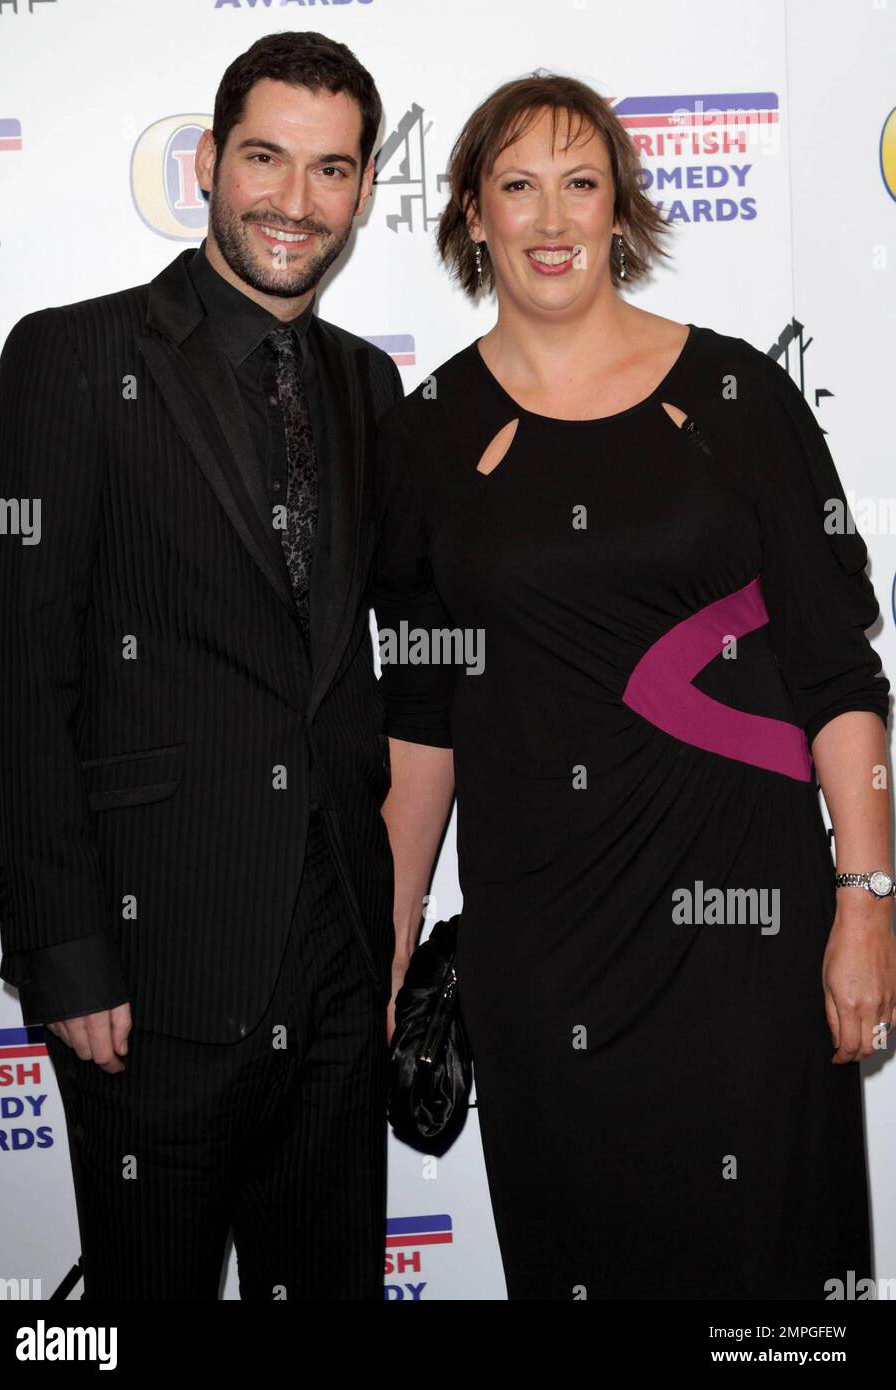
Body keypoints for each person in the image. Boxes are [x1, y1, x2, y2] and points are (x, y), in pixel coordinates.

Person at [373, 72, 896, 1300]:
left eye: (579, 182)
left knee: (773, 1279)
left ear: (621, 211)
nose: (549, 219)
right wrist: (385, 955)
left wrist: (866, 897)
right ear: (470, 216)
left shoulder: (736, 396)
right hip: (544, 947)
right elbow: (420, 723)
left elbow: (837, 672)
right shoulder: (426, 432)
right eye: (516, 185)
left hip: (748, 932)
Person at [0, 31, 402, 1300]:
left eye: (331, 170)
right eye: (266, 158)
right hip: (150, 973)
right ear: (211, 162)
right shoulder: (70, 357)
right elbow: (12, 677)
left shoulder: (371, 387)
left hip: (333, 965)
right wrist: (64, 947)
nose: (295, 200)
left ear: (365, 190)